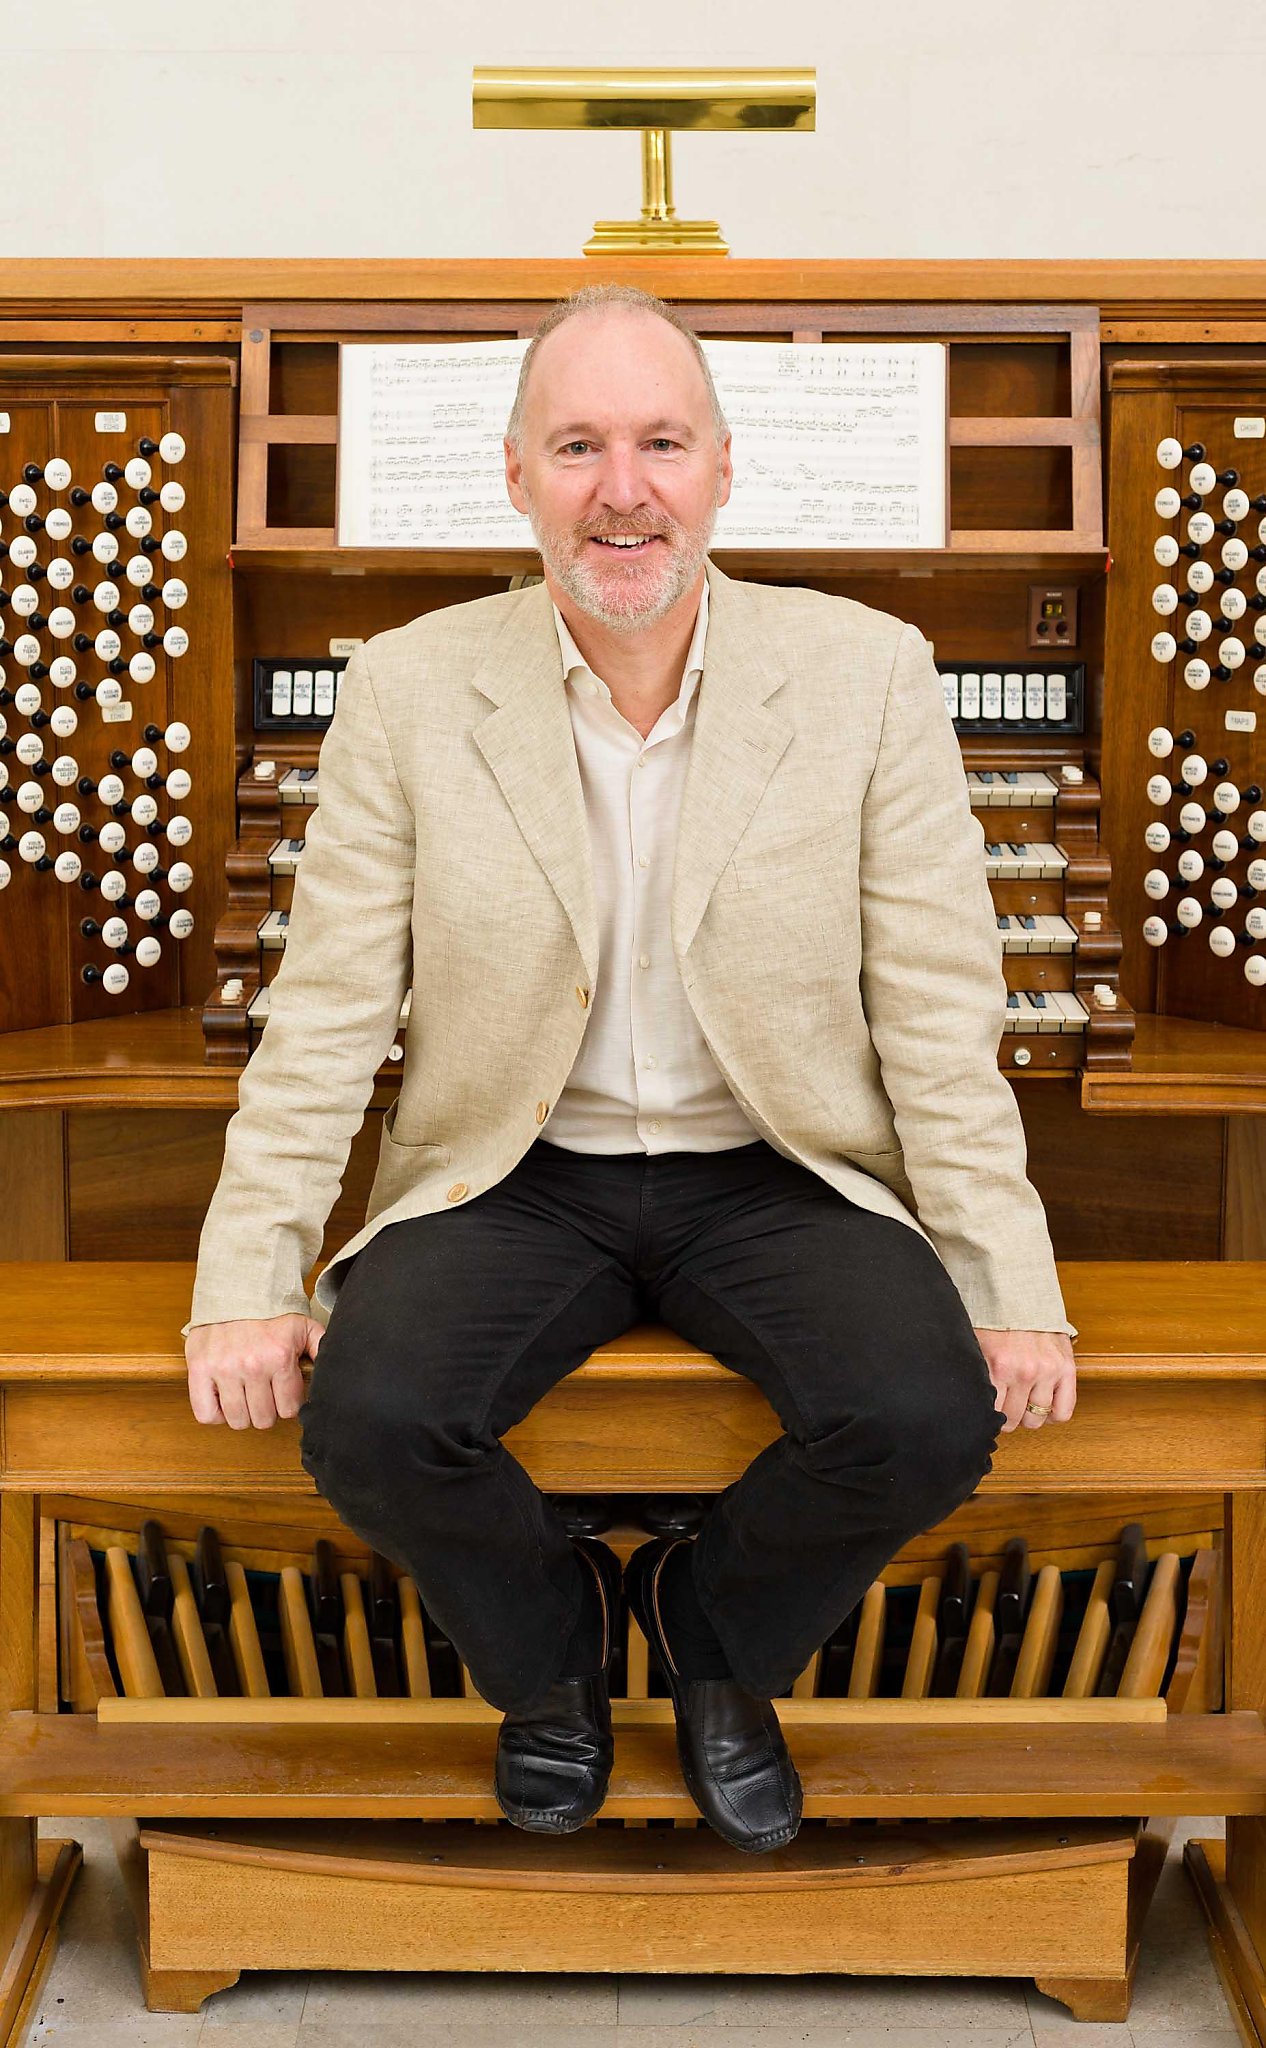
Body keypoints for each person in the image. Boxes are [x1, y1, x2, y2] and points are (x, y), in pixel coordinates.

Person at [183, 282, 1078, 1854]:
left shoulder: (867, 672)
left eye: (659, 443)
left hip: (776, 1168)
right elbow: (324, 1012)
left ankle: (710, 1630)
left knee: (926, 1413)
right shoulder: (405, 686)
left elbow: (940, 1008)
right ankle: (548, 1664)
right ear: (515, 475)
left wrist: (1007, 1280)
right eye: (578, 444)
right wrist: (245, 1274)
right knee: (374, 1415)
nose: (622, 487)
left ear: (721, 470)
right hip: (513, 1171)